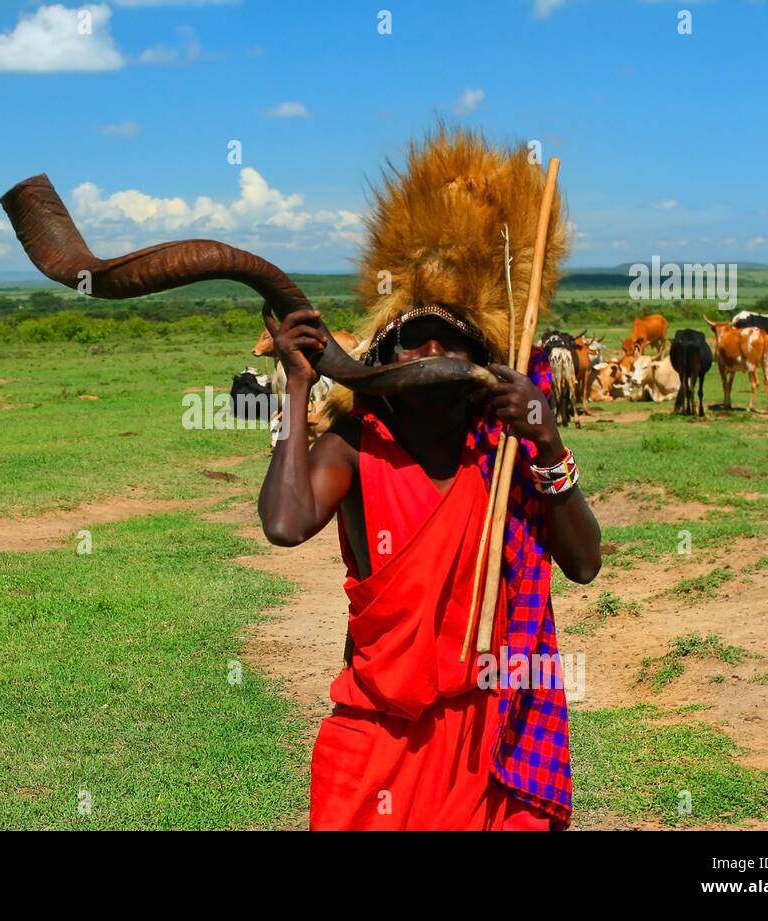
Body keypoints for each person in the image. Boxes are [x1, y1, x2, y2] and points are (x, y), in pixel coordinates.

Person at [257, 128, 601, 830]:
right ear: (386, 355)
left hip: (492, 736)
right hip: (376, 738)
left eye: (453, 338)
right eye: (416, 337)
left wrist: (547, 439)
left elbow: (584, 561)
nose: (434, 350)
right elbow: (285, 523)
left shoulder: (503, 451)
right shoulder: (360, 444)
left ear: (483, 358)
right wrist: (296, 383)